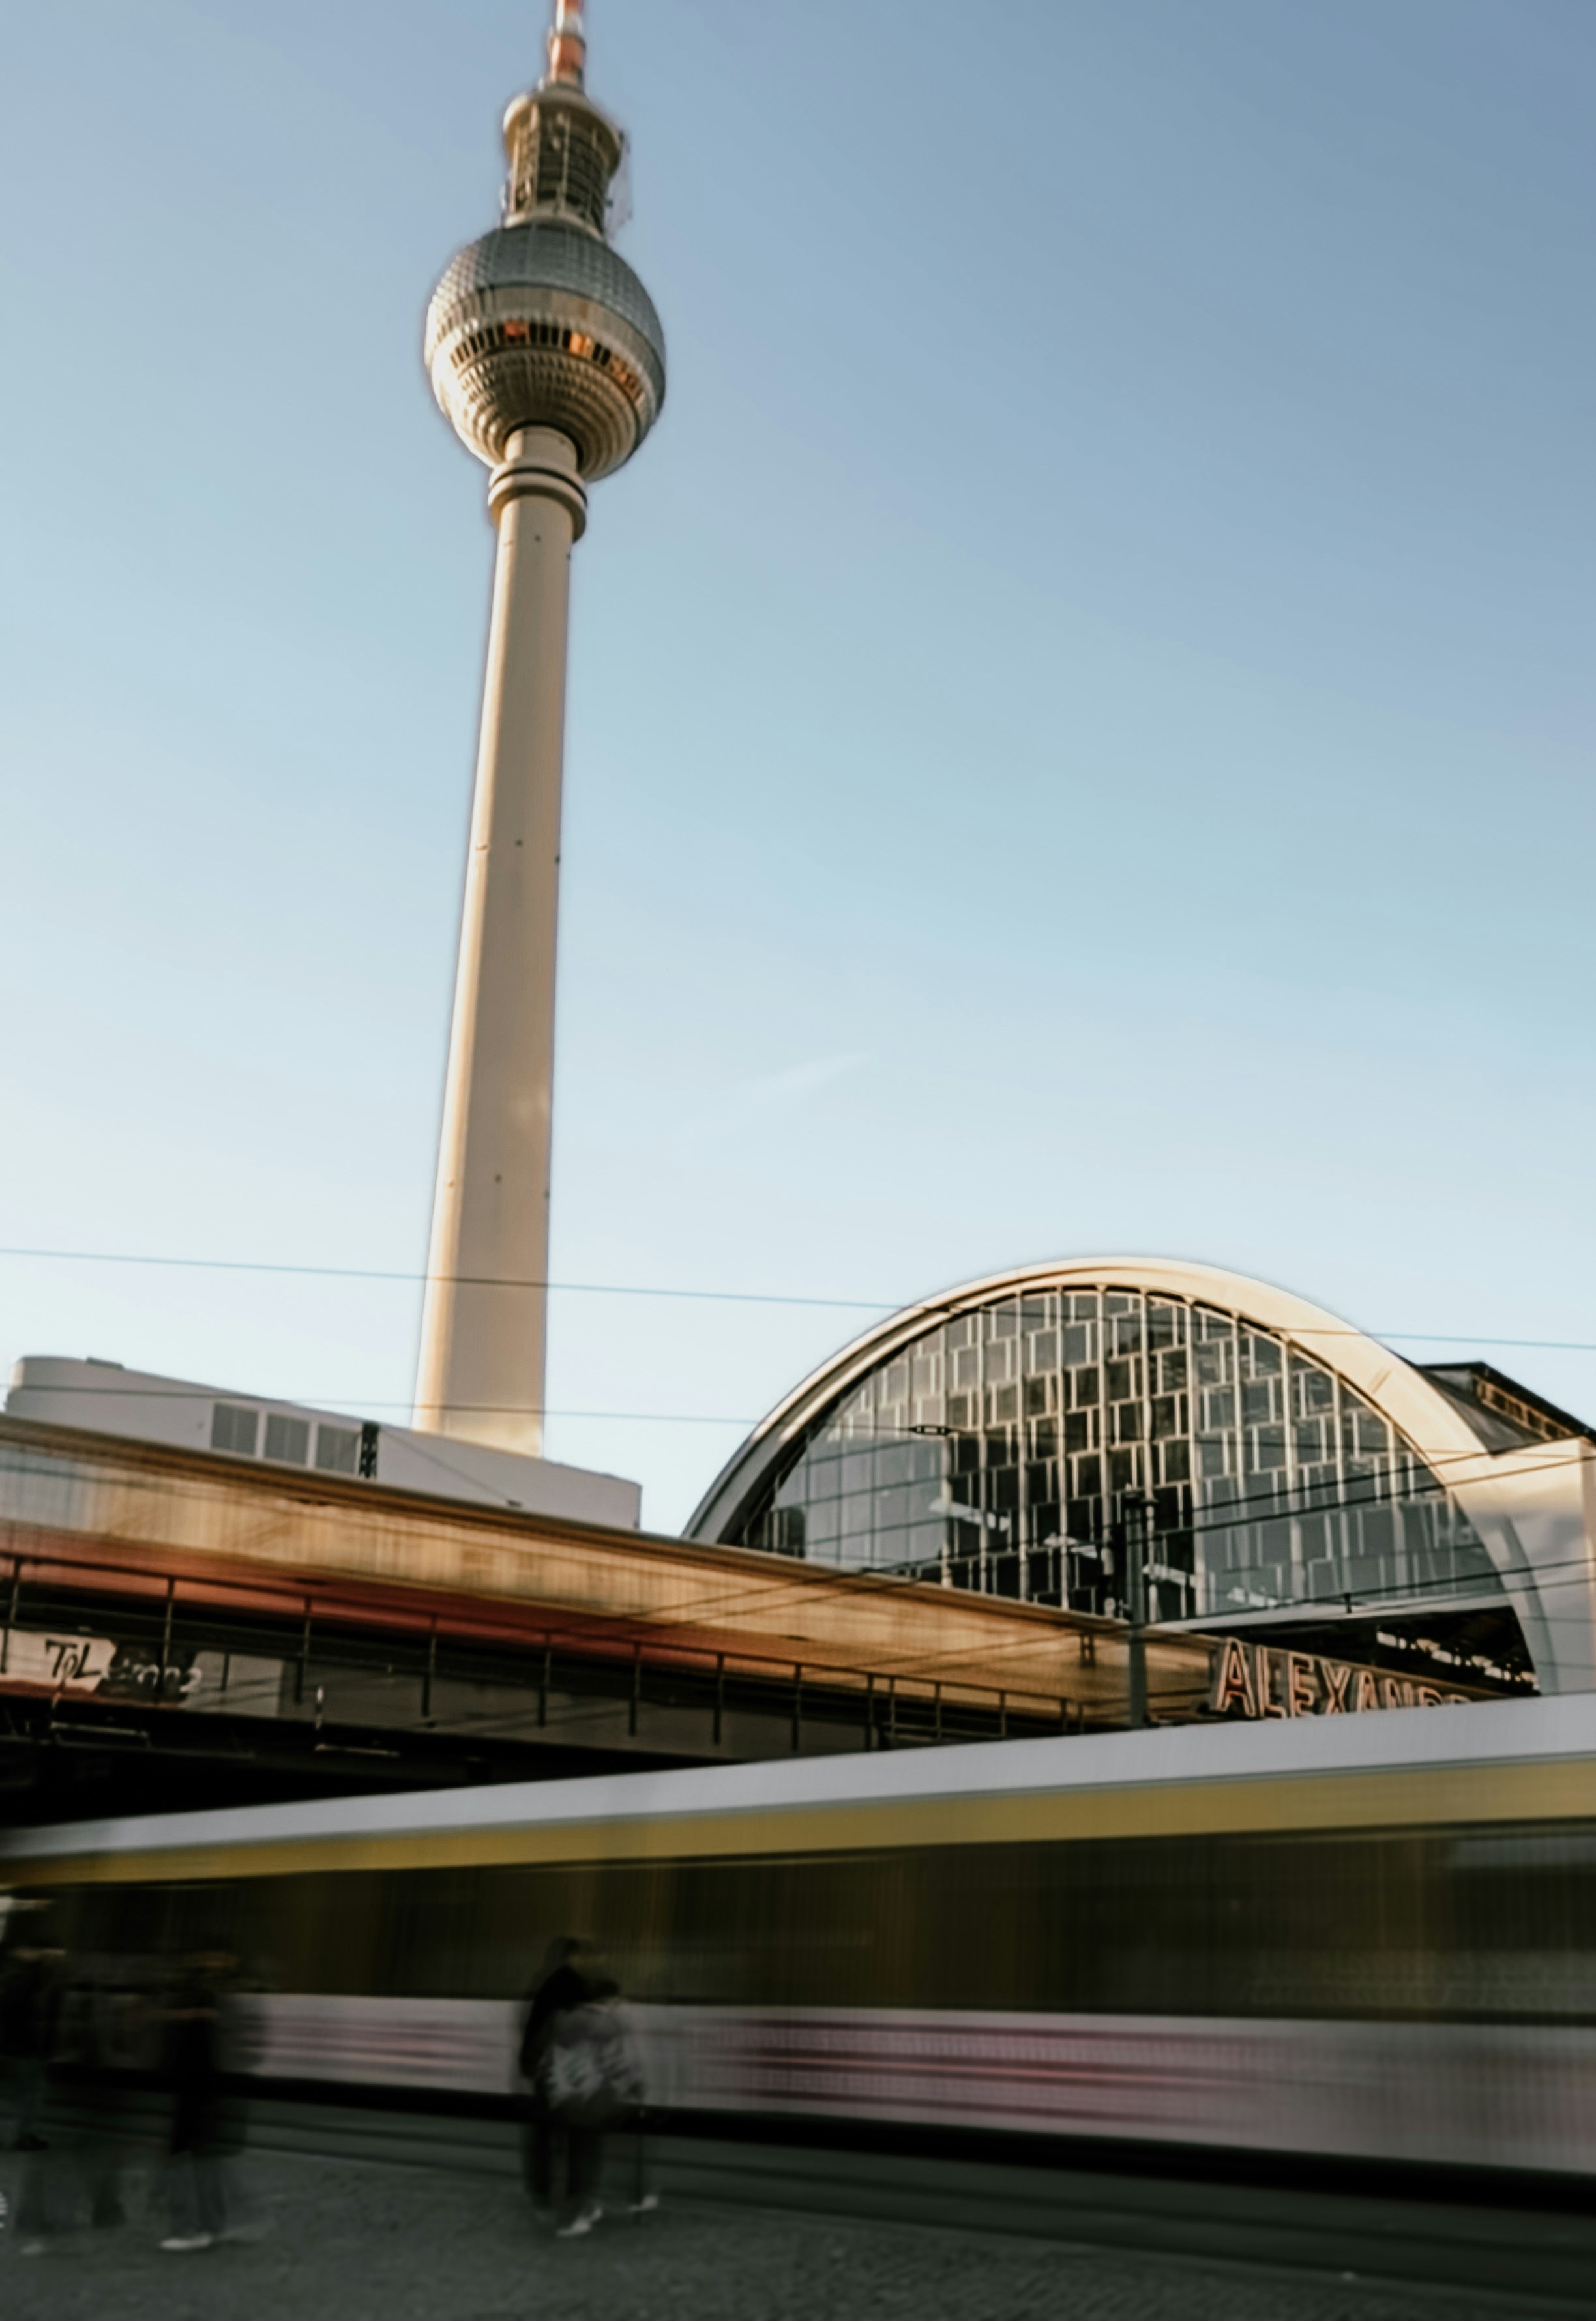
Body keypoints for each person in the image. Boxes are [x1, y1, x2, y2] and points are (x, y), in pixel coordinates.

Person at [540, 1977, 645, 2238]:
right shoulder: (608, 2024)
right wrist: (635, 2088)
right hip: (590, 2102)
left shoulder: (565, 2020)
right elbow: (618, 2065)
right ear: (611, 2000)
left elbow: (547, 2062)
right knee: (587, 2162)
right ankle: (569, 2221)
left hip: (563, 2101)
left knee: (573, 2161)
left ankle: (582, 2209)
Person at [518, 1937, 589, 2222]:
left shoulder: (544, 1982)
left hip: (546, 2072)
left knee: (544, 2136)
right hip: (565, 2074)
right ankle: (571, 2195)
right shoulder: (571, 1984)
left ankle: (543, 2193)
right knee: (572, 2135)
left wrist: (528, 2065)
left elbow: (532, 2028)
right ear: (572, 1956)